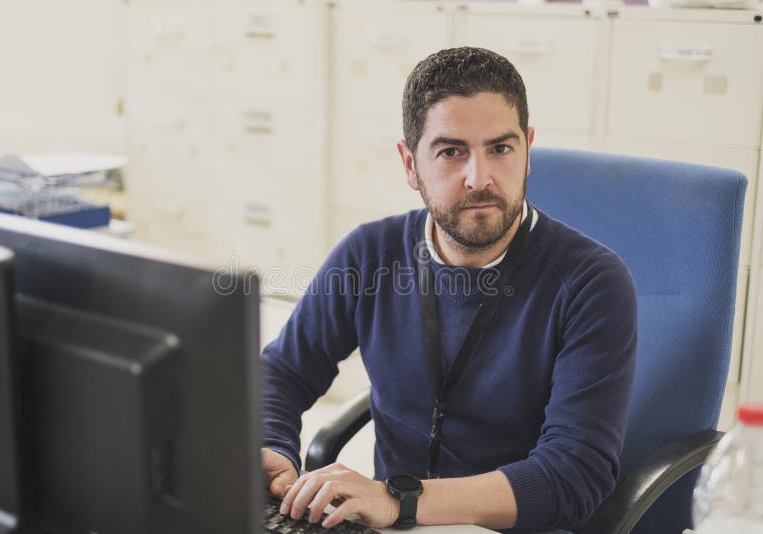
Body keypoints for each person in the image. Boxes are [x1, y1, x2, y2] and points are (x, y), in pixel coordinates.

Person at [260, 47, 637, 533]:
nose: (479, 177)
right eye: (451, 151)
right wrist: (272, 447)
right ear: (409, 162)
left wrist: (400, 500)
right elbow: (284, 371)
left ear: (528, 151)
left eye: (501, 148)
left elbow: (573, 473)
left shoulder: (593, 283)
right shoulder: (369, 254)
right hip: (390, 523)